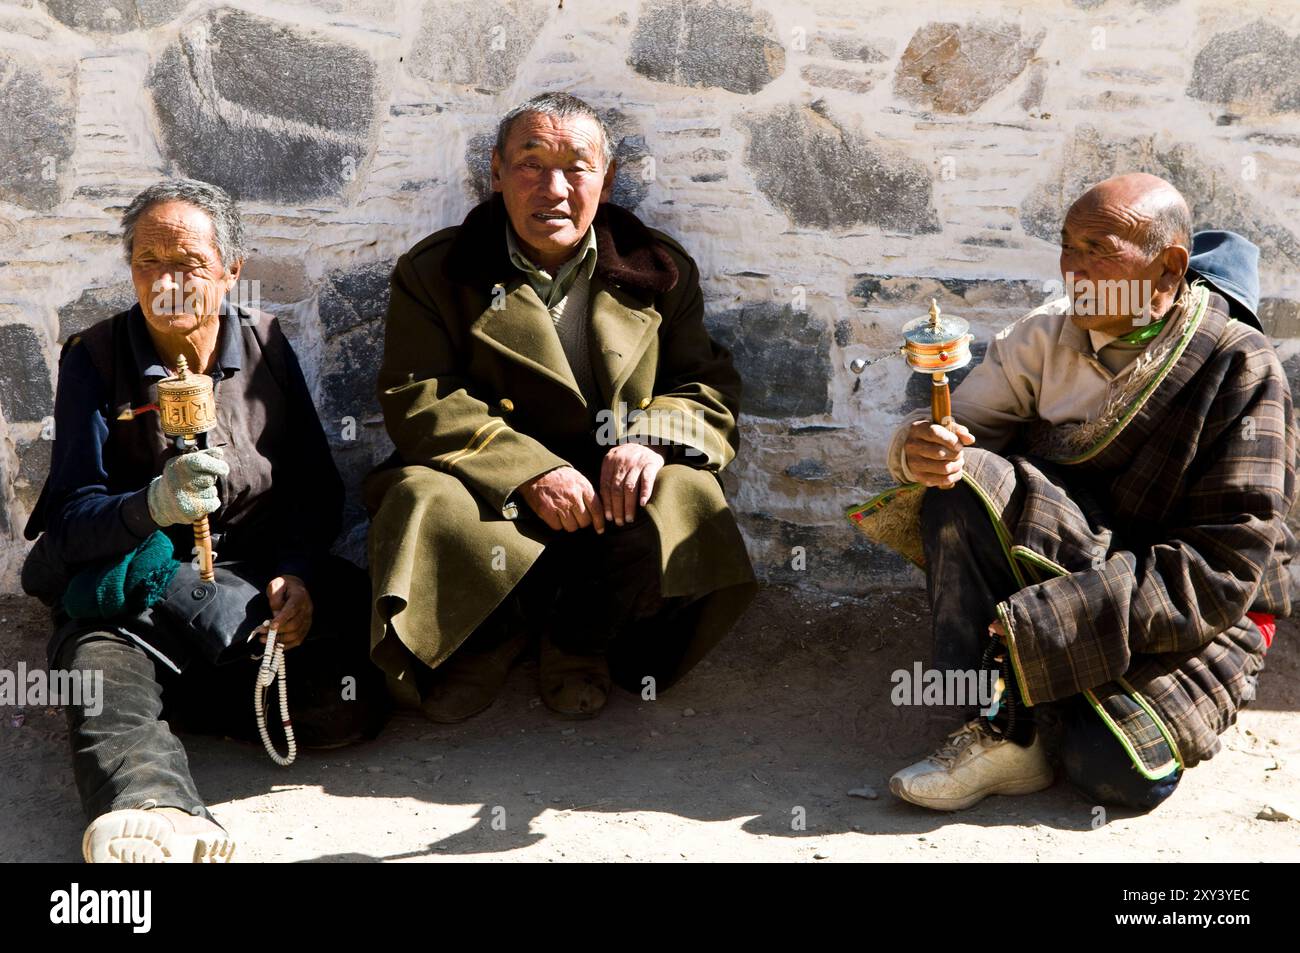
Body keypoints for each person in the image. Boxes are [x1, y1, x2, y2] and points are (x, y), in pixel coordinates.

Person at [851, 173, 1296, 812]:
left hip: (1186, 599)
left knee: (1112, 770)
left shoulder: (1239, 368)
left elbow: (1223, 568)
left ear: (1169, 268)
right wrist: (918, 447)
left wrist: (1044, 621)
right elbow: (960, 439)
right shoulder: (1042, 337)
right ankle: (998, 718)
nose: (1074, 268)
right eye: (1066, 246)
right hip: (1082, 549)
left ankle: (1045, 683)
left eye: (1098, 249)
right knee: (959, 481)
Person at [23, 178, 389, 862]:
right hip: (141, 585)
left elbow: (314, 493)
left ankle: (173, 701)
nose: (166, 282)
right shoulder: (95, 359)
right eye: (147, 263)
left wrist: (298, 576)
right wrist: (150, 505)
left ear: (231, 269)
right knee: (98, 662)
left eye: (187, 263)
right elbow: (69, 520)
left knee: (346, 705)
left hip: (245, 585)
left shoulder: (264, 347)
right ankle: (149, 806)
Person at [365, 92, 756, 722]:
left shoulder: (657, 267)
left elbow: (704, 385)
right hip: (492, 488)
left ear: (606, 180)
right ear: (495, 172)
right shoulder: (441, 271)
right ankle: (491, 639)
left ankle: (580, 642)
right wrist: (528, 470)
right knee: (419, 498)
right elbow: (418, 395)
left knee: (686, 493)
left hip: (608, 488)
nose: (554, 187)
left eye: (577, 167)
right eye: (530, 163)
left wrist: (649, 442)